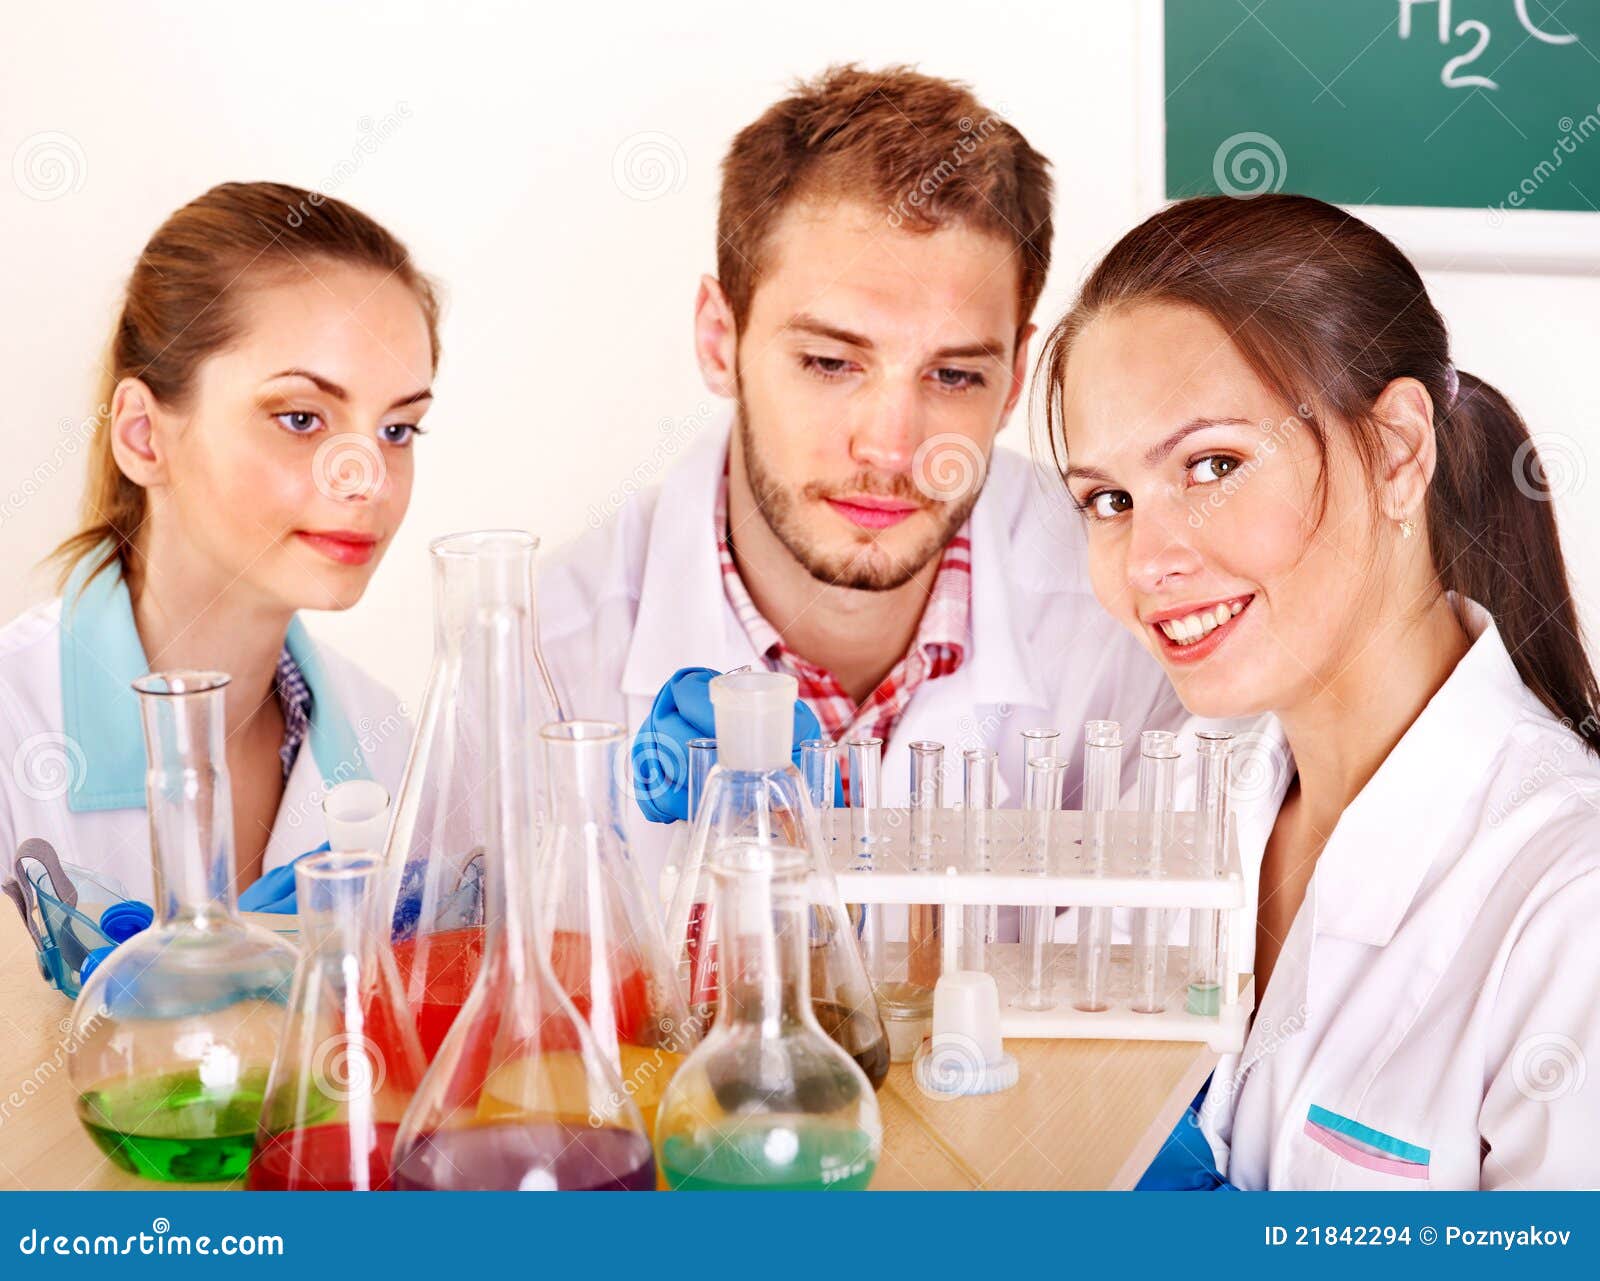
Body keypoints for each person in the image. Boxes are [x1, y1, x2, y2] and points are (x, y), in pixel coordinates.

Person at [1042, 192, 1600, 1190]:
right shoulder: (1179, 798)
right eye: (1109, 499)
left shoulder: (1566, 903)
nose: (1146, 561)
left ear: (1397, 451)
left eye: (1212, 464)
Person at [539, 65, 1181, 887]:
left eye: (954, 375)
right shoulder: (546, 657)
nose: (890, 448)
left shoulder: (1132, 624)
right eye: (830, 362)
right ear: (718, 341)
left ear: (1016, 376)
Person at [0, 181, 438, 903]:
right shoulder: (15, 726)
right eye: (301, 418)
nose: (366, 478)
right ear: (144, 436)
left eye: (397, 429)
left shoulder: (386, 743)